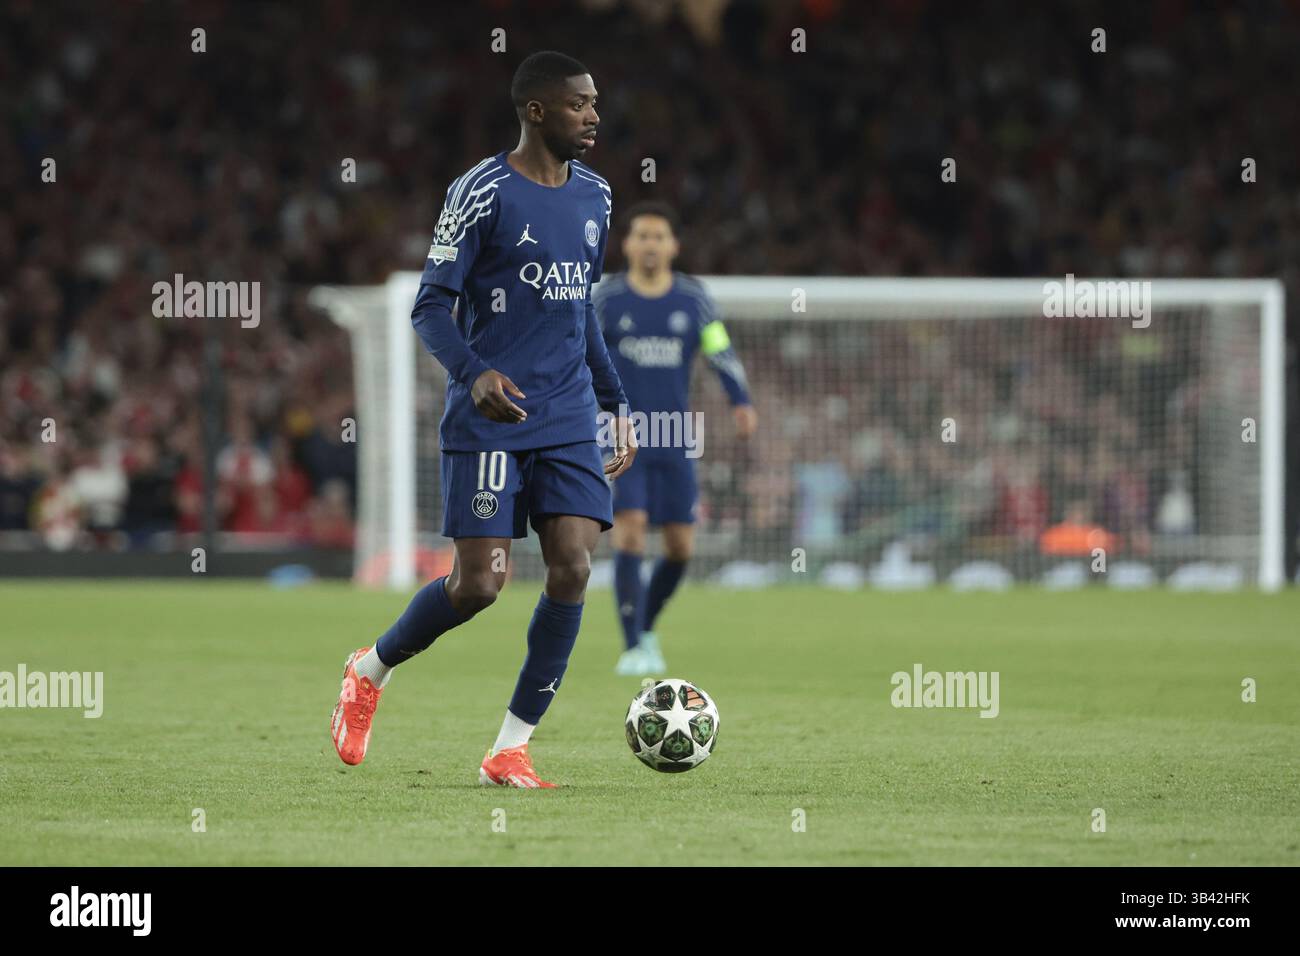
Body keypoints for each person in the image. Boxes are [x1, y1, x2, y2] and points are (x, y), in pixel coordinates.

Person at [330, 51, 637, 788]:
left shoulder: (596, 196)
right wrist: (474, 374)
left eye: (595, 103)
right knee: (481, 585)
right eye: (578, 105)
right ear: (536, 111)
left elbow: (579, 311)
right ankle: (369, 669)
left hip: (564, 414)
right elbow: (430, 305)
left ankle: (510, 748)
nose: (594, 116)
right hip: (491, 417)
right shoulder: (480, 191)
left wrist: (614, 400)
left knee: (573, 565)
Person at [594, 202, 756, 675]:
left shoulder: (693, 299)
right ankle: (632, 647)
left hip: (676, 437)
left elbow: (720, 350)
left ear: (673, 246)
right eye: (641, 235)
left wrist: (741, 400)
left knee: (682, 547)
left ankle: (644, 626)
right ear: (626, 245)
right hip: (621, 433)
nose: (649, 244)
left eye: (658, 236)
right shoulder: (607, 299)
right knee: (630, 532)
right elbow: (581, 352)